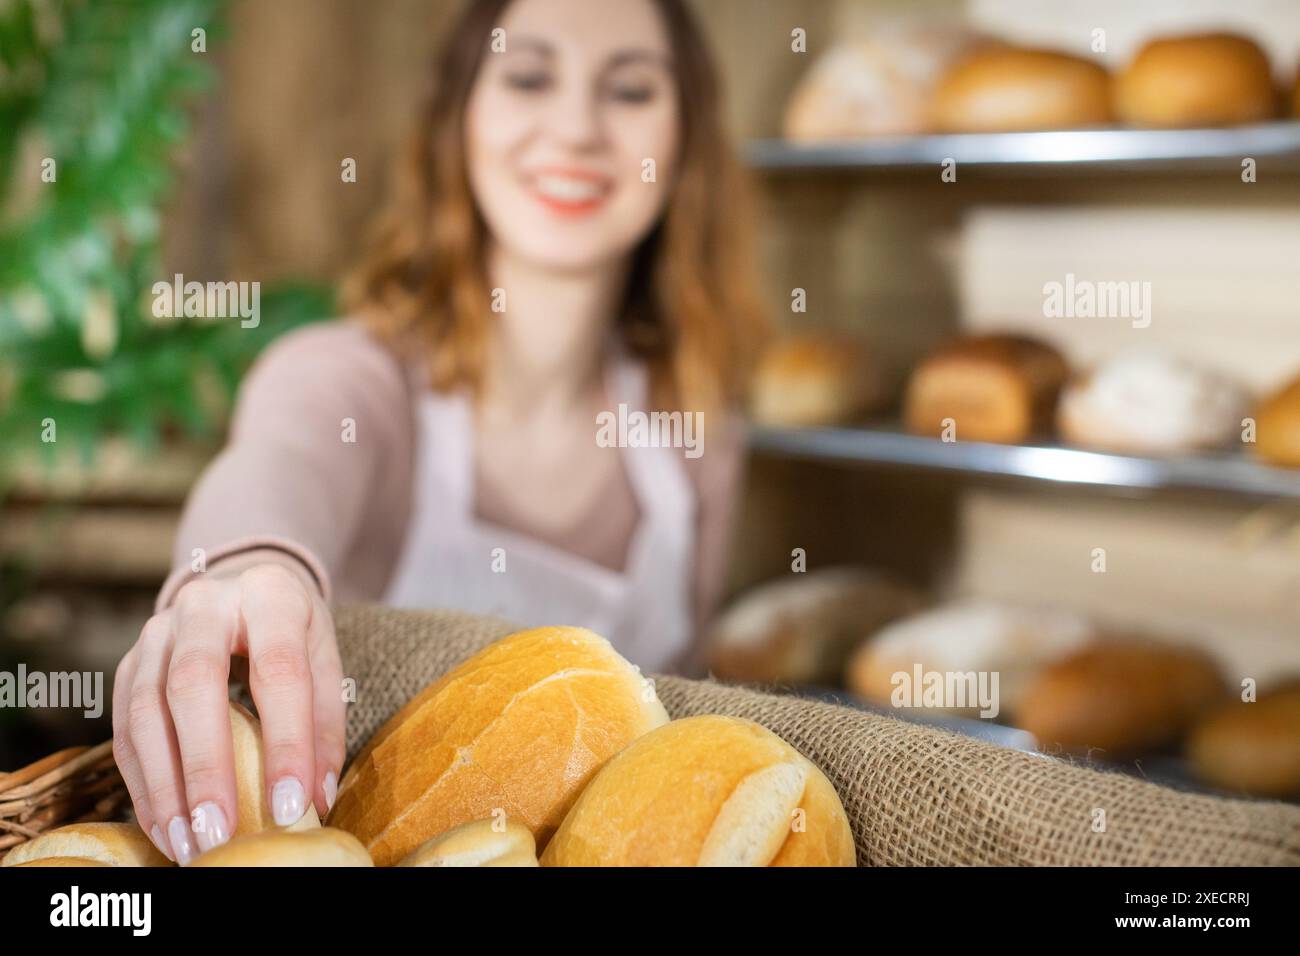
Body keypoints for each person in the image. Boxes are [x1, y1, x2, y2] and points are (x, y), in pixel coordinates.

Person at [112, 0, 766, 865]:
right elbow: (282, 465)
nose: (574, 127)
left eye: (631, 90)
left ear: (686, 140)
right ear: (459, 116)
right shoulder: (355, 378)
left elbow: (675, 738)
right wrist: (245, 570)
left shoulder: (698, 432)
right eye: (528, 76)